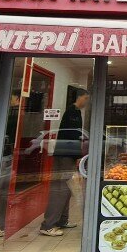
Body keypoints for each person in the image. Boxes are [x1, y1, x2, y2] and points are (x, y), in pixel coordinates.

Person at [40, 88, 89, 237]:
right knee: (60, 190)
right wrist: (78, 153)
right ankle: (48, 225)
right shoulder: (71, 112)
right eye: (86, 98)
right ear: (79, 97)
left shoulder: (76, 112)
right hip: (64, 156)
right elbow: (69, 136)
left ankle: (62, 220)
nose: (86, 102)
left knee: (67, 190)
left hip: (69, 155)